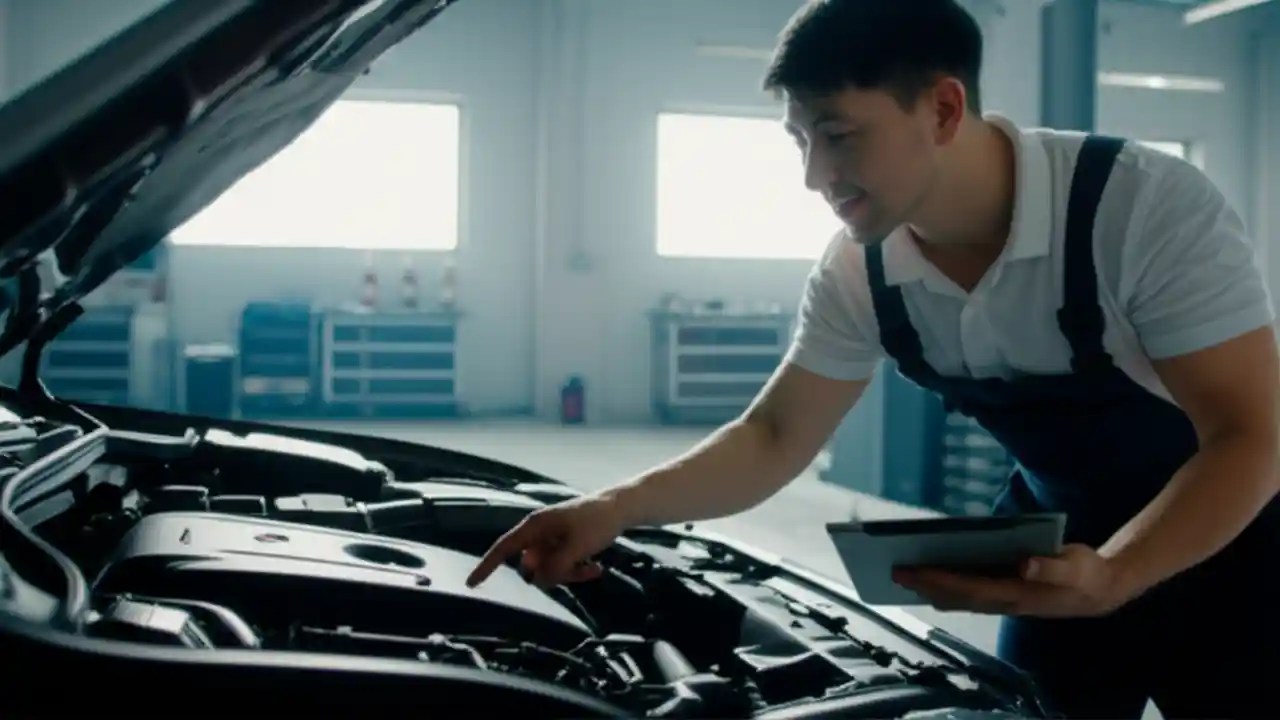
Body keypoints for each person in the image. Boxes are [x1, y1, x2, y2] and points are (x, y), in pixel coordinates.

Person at [468, 1, 1280, 716]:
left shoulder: (1139, 207)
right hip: (1058, 560)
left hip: (1236, 545)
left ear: (943, 108)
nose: (814, 175)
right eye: (799, 140)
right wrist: (613, 509)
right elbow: (777, 435)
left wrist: (1117, 575)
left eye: (839, 135)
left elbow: (1251, 436)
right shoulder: (863, 267)